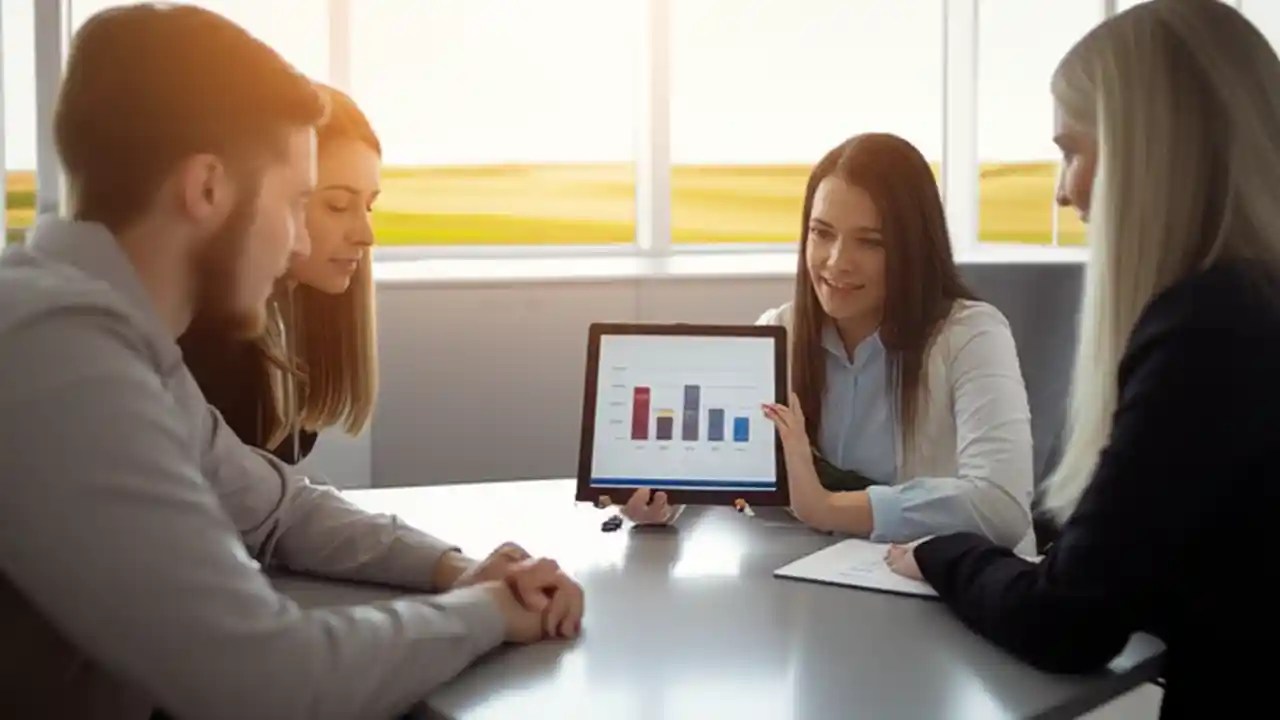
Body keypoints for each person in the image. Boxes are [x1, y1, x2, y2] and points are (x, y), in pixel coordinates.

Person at [0, 6, 582, 720]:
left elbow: (279, 508)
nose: (296, 238)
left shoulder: (106, 339)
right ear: (208, 189)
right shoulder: (60, 358)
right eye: (298, 200)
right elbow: (265, 680)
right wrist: (488, 613)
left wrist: (462, 569)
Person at [885, 1, 1280, 716]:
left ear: (1151, 151)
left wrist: (943, 554)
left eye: (1072, 150)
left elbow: (1067, 621)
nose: (1064, 190)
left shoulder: (1210, 329)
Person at [624, 133, 1036, 552]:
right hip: (826, 585)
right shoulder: (779, 334)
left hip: (949, 595)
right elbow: (726, 463)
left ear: (913, 248)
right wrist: (665, 502)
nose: (837, 261)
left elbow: (1000, 506)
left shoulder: (973, 336)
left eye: (870, 242)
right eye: (822, 233)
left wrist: (826, 507)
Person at [180, 84, 382, 465]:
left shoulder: (289, 329)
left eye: (368, 206)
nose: (365, 235)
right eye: (337, 205)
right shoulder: (213, 353)